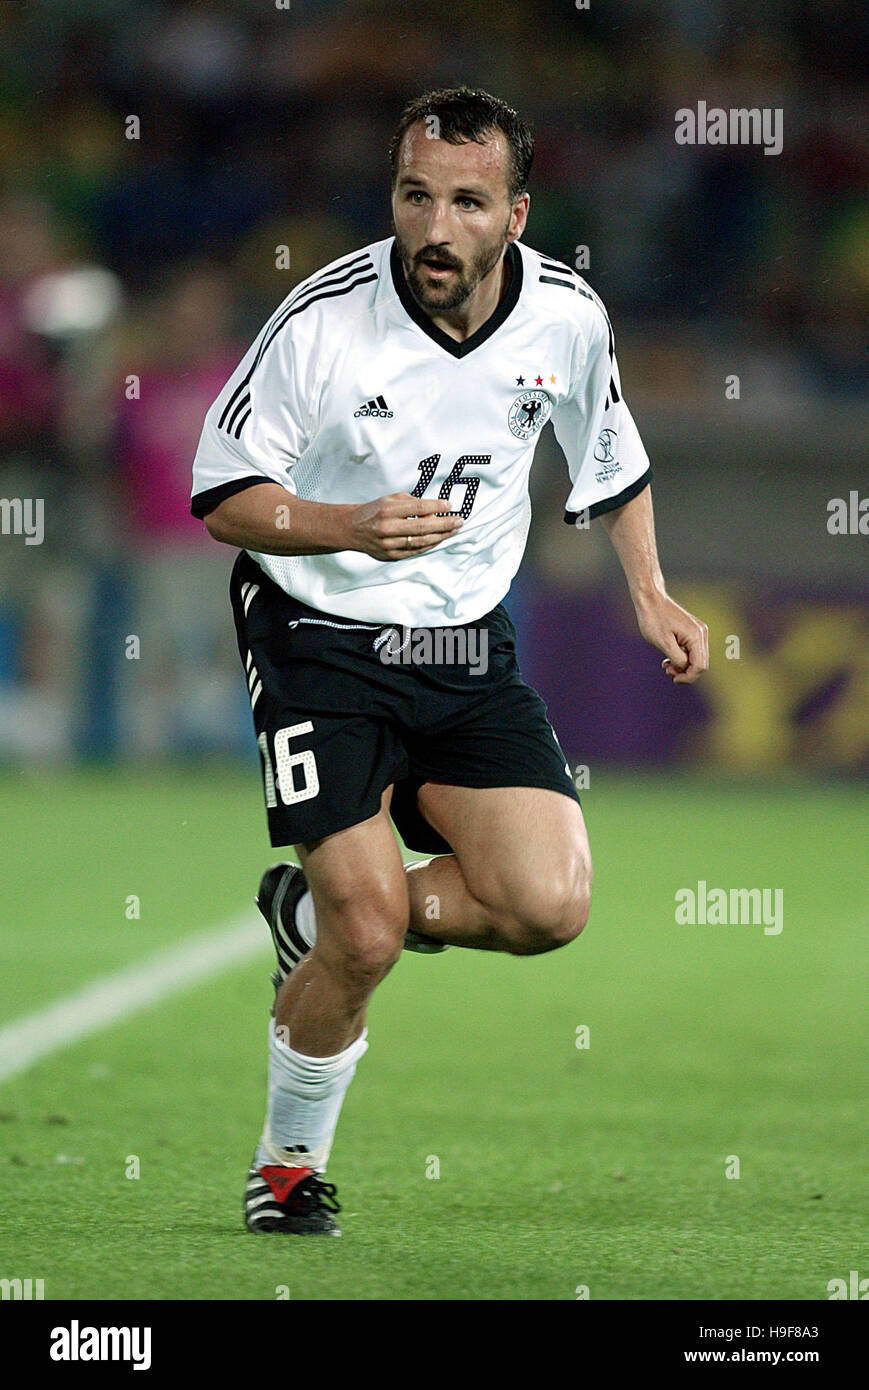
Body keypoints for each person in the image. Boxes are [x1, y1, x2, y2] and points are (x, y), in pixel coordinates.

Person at [191, 88, 708, 1236]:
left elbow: (607, 457)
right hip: (315, 635)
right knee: (368, 937)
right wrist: (347, 524)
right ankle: (286, 1169)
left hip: (467, 646)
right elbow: (221, 495)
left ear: (513, 215)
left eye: (465, 202)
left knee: (547, 901)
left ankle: (311, 914)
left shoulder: (565, 318)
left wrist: (648, 589)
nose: (434, 226)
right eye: (415, 196)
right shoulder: (323, 318)